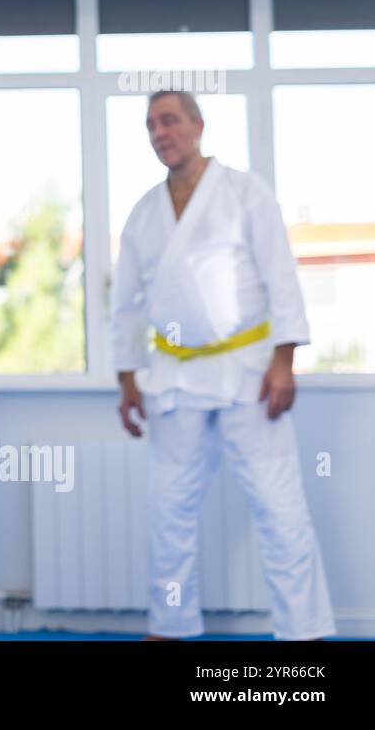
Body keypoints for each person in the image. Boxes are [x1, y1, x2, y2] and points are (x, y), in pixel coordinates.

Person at [111, 89, 335, 641]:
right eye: (150, 125)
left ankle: (302, 635)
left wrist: (284, 362)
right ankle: (170, 627)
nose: (160, 133)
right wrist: (126, 379)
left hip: (248, 371)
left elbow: (280, 276)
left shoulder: (244, 192)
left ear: (198, 124)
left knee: (279, 507)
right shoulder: (143, 212)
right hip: (172, 378)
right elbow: (127, 306)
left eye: (169, 121)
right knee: (169, 513)